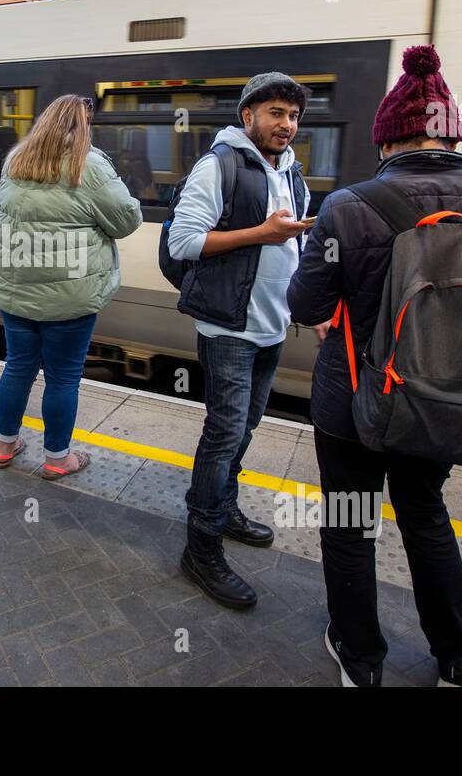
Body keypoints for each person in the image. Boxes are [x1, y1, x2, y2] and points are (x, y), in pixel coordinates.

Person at [287, 44, 462, 687]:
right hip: (446, 400)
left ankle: (360, 659)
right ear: (453, 134)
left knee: (351, 520)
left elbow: (306, 304)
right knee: (425, 514)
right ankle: (459, 659)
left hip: (354, 399)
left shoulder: (348, 206)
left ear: (387, 143)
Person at [165, 73, 311, 609]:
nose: (286, 125)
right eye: (275, 112)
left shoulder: (293, 175)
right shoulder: (219, 165)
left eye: (293, 116)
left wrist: (310, 308)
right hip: (228, 326)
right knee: (223, 434)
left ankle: (222, 508)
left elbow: (292, 251)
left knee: (246, 428)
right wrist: (262, 234)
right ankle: (200, 548)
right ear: (247, 115)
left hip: (272, 325)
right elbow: (184, 242)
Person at [0, 94, 142, 479]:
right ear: (83, 126)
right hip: (70, 297)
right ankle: (57, 458)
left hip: (16, 286)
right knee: (63, 376)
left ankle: (5, 447)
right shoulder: (89, 166)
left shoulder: (15, 160)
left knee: (18, 366)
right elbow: (126, 221)